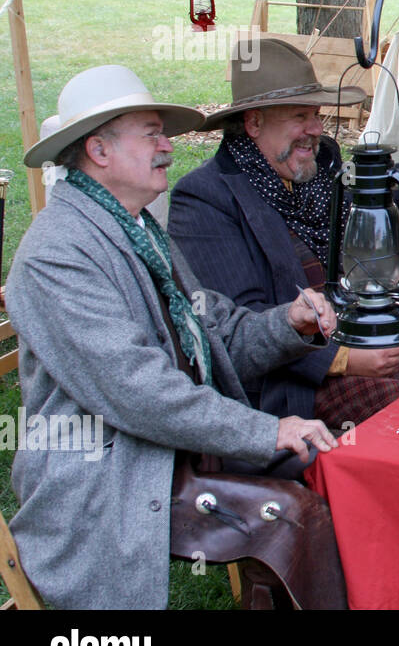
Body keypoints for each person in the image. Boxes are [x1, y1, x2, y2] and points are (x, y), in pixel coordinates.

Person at [6, 65, 339, 609]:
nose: (169, 146)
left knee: (335, 468)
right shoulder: (55, 256)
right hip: (107, 474)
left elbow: (216, 334)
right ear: (99, 151)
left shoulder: (134, 227)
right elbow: (137, 391)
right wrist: (264, 430)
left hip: (174, 449)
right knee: (295, 516)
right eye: (153, 134)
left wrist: (287, 324)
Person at [169, 38, 399, 427]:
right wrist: (341, 360)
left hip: (363, 342)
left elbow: (382, 183)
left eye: (316, 114)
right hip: (290, 387)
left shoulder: (318, 167)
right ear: (254, 122)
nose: (315, 129)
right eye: (299, 116)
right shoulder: (206, 198)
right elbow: (241, 332)